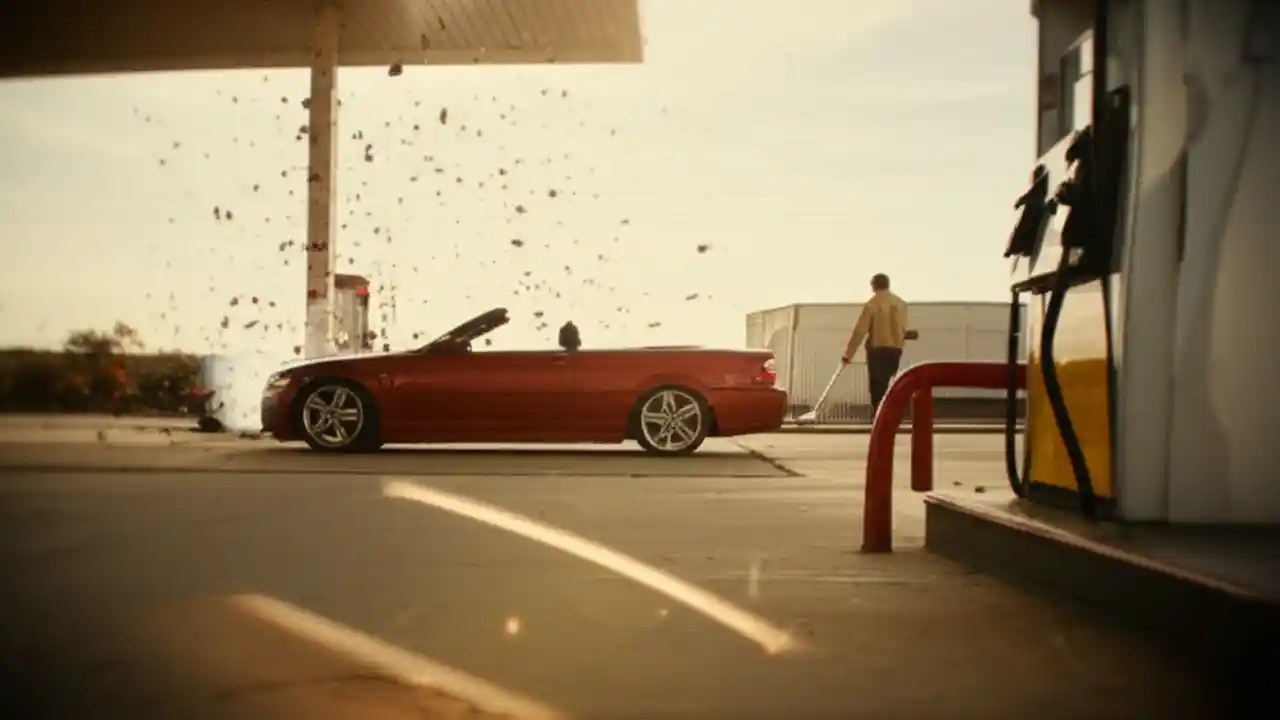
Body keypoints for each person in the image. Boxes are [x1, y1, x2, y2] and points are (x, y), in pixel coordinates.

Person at [841, 273, 908, 413]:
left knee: (877, 386)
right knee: (890, 383)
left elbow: (860, 331)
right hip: (895, 350)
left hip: (877, 350)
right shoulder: (900, 303)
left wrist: (848, 353)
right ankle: (891, 413)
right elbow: (902, 329)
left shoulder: (872, 304)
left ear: (874, 285)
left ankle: (879, 416)